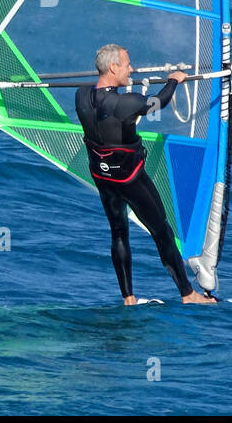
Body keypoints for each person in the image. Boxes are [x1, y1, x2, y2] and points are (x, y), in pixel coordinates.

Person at [76, 45, 217, 305]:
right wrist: (174, 81)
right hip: (130, 180)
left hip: (103, 177)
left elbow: (102, 97)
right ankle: (188, 294)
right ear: (113, 67)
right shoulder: (124, 103)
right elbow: (158, 101)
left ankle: (128, 297)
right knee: (161, 231)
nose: (132, 69)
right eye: (127, 65)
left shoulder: (81, 96)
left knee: (118, 232)